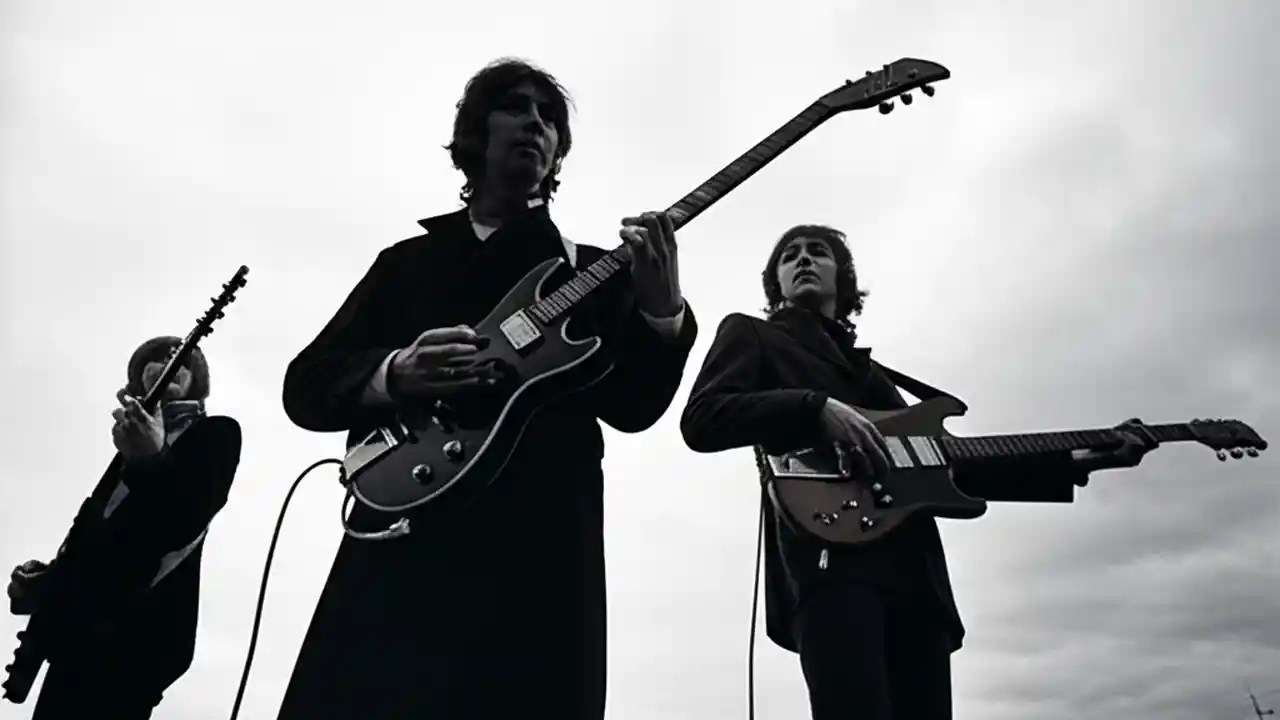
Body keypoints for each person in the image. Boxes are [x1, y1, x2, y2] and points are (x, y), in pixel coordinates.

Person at [277, 57, 698, 719]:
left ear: (559, 151)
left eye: (550, 118)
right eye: (517, 106)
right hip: (401, 540)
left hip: (539, 555)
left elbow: (636, 407)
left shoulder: (591, 271)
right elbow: (305, 386)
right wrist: (392, 373)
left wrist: (662, 314)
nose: (536, 122)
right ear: (475, 134)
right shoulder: (405, 263)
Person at [679, 224, 1157, 720]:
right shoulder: (751, 334)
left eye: (818, 253)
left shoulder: (877, 379)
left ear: (843, 279)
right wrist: (814, 407)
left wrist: (1075, 461)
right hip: (829, 567)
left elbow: (952, 468)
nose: (802, 259)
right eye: (789, 255)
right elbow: (703, 419)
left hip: (915, 578)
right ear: (774, 282)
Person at [7, 336, 242, 719]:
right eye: (155, 360)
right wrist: (47, 580)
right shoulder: (124, 457)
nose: (169, 362)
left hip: (133, 649)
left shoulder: (217, 434)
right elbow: (100, 544)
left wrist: (151, 462)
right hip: (74, 645)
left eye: (181, 360)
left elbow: (182, 521)